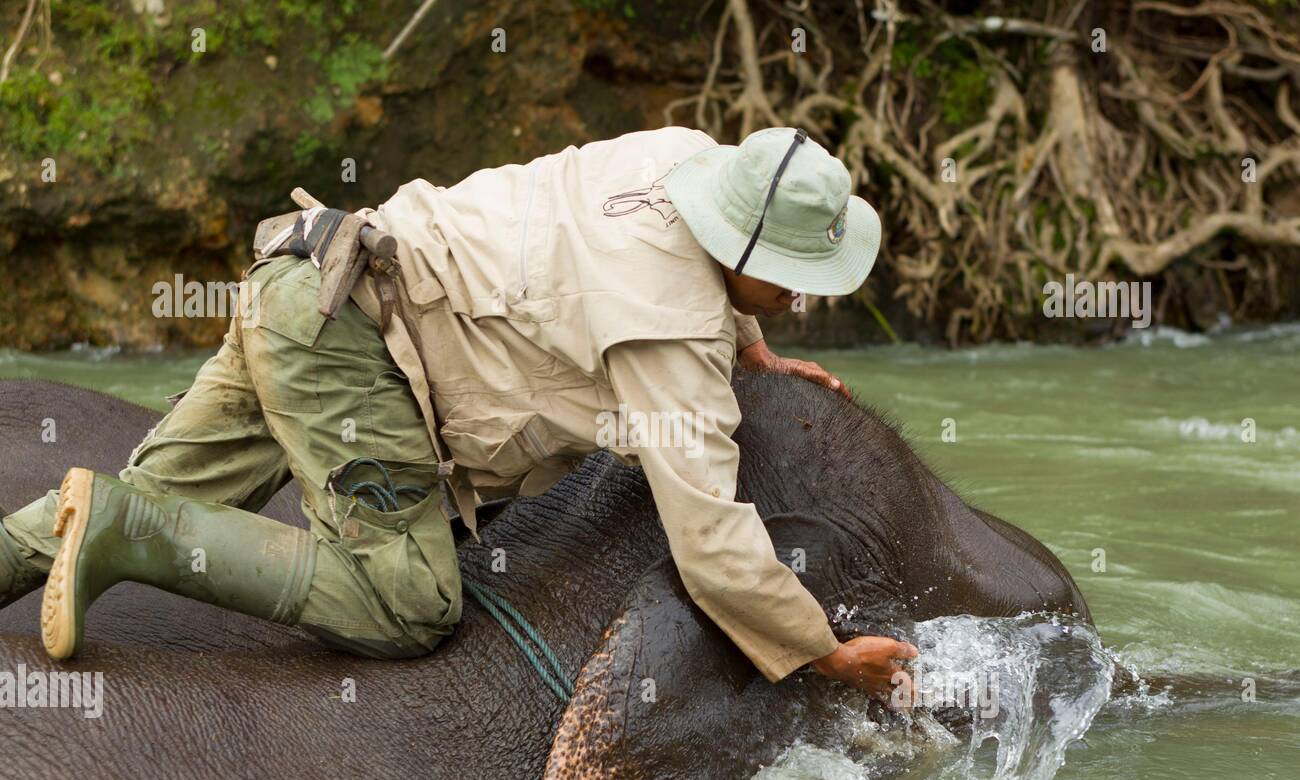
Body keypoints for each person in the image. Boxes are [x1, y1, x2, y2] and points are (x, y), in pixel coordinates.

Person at [0, 126, 918, 702]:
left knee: (144, 492)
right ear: (735, 238)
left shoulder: (679, 156)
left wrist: (749, 340)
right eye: (793, 273)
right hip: (360, 354)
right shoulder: (668, 333)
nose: (806, 295)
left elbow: (694, 271)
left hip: (304, 280)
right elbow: (711, 539)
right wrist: (822, 653)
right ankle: (130, 531)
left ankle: (94, 525)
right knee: (407, 605)